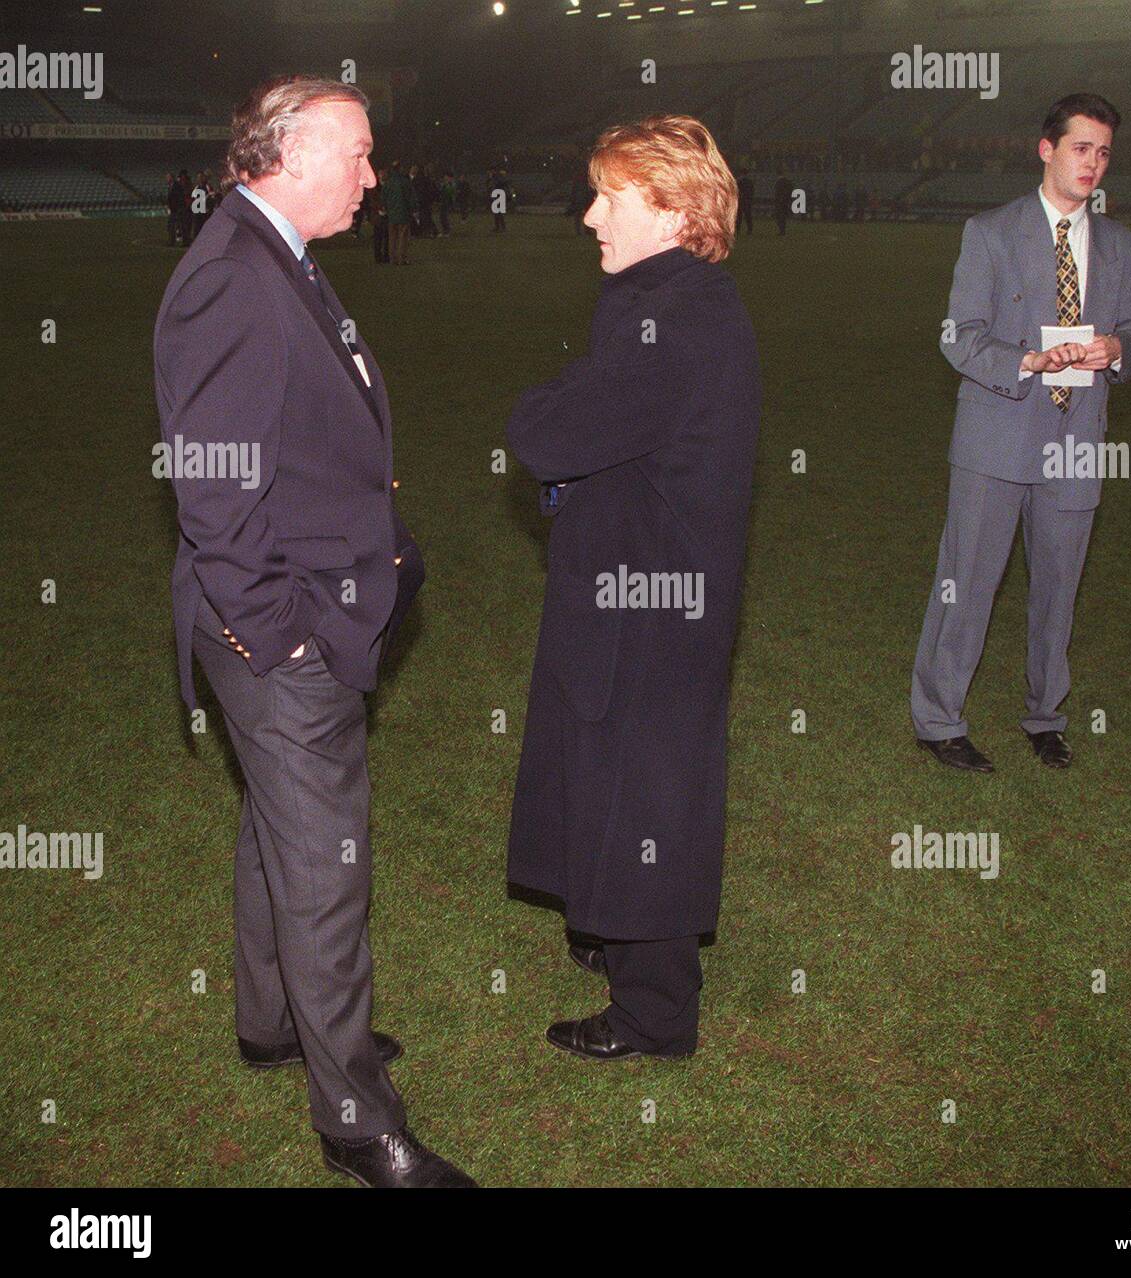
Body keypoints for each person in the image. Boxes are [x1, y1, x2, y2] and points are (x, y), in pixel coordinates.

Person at [153, 75, 474, 1189]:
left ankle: (272, 1021)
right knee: (327, 861)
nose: (376, 175)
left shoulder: (273, 254)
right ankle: (352, 1119)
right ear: (287, 155)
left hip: (303, 614)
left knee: (276, 834)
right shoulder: (233, 280)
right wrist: (277, 639)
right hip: (286, 634)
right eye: (361, 154)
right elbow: (212, 492)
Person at [506, 115, 760, 1062]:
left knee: (648, 791)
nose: (587, 217)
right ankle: (616, 929)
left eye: (607, 198)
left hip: (649, 606)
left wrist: (542, 412)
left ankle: (655, 1014)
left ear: (670, 207)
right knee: (618, 777)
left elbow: (550, 432)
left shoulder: (669, 315)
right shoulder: (683, 299)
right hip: (650, 591)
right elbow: (604, 425)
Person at [910, 93, 1131, 773]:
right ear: (1046, 150)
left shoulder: (1126, 249)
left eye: (1104, 152)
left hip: (1076, 443)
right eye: (1082, 147)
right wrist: (1025, 360)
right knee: (967, 582)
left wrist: (1118, 350)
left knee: (1058, 589)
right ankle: (939, 720)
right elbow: (960, 336)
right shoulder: (990, 232)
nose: (1094, 163)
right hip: (995, 435)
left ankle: (1046, 717)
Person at [383, 160, 413, 264]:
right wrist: (413, 209)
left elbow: (383, 198)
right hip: (403, 213)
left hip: (392, 214)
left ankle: (393, 258)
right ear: (400, 169)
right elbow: (411, 198)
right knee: (403, 237)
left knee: (392, 238)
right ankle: (402, 258)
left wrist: (386, 209)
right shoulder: (405, 182)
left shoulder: (388, 183)